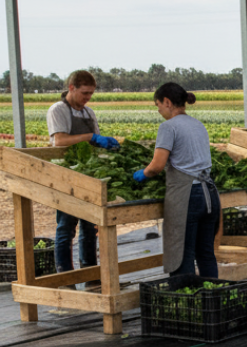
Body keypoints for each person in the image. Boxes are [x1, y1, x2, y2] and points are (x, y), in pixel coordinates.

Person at [134, 83, 220, 277]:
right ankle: (211, 298)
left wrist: (143, 174)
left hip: (187, 197)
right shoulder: (198, 124)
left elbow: (157, 165)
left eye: (158, 105)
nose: (158, 110)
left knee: (182, 256)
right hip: (210, 195)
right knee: (205, 254)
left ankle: (186, 302)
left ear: (167, 102)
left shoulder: (168, 127)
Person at [46, 70, 118, 282]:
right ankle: (66, 275)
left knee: (90, 224)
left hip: (88, 175)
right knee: (66, 226)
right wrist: (91, 137)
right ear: (72, 88)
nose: (87, 98)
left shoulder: (88, 113)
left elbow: (95, 143)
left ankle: (91, 274)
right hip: (66, 175)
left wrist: (105, 144)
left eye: (91, 94)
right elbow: (59, 141)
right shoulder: (58, 110)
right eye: (84, 93)